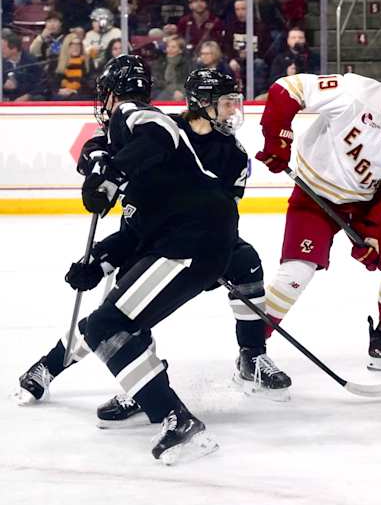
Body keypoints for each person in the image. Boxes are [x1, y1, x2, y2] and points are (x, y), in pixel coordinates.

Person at [19, 55, 237, 463]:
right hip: (190, 240)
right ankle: (151, 399)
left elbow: (156, 133)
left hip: (191, 240)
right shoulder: (144, 163)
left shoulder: (135, 115)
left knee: (105, 323)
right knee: (115, 322)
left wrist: (113, 170)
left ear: (111, 95)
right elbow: (134, 232)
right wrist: (98, 261)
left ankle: (175, 418)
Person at [254, 51, 381, 372]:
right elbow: (288, 88)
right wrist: (278, 138)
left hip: (363, 201)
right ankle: (252, 350)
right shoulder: (353, 93)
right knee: (296, 274)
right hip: (314, 196)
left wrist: (374, 231)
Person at [2, 30, 45, 101]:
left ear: (14, 49)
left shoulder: (31, 62)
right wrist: (2, 84)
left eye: (3, 48)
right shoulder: (2, 62)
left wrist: (28, 96)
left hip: (26, 100)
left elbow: (40, 84)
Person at [53, 33, 92, 99]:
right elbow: (52, 83)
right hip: (61, 94)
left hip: (80, 95)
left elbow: (90, 84)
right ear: (67, 46)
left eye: (78, 45)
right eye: (72, 45)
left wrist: (74, 91)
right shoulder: (55, 63)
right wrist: (60, 90)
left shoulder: (87, 62)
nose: (75, 48)